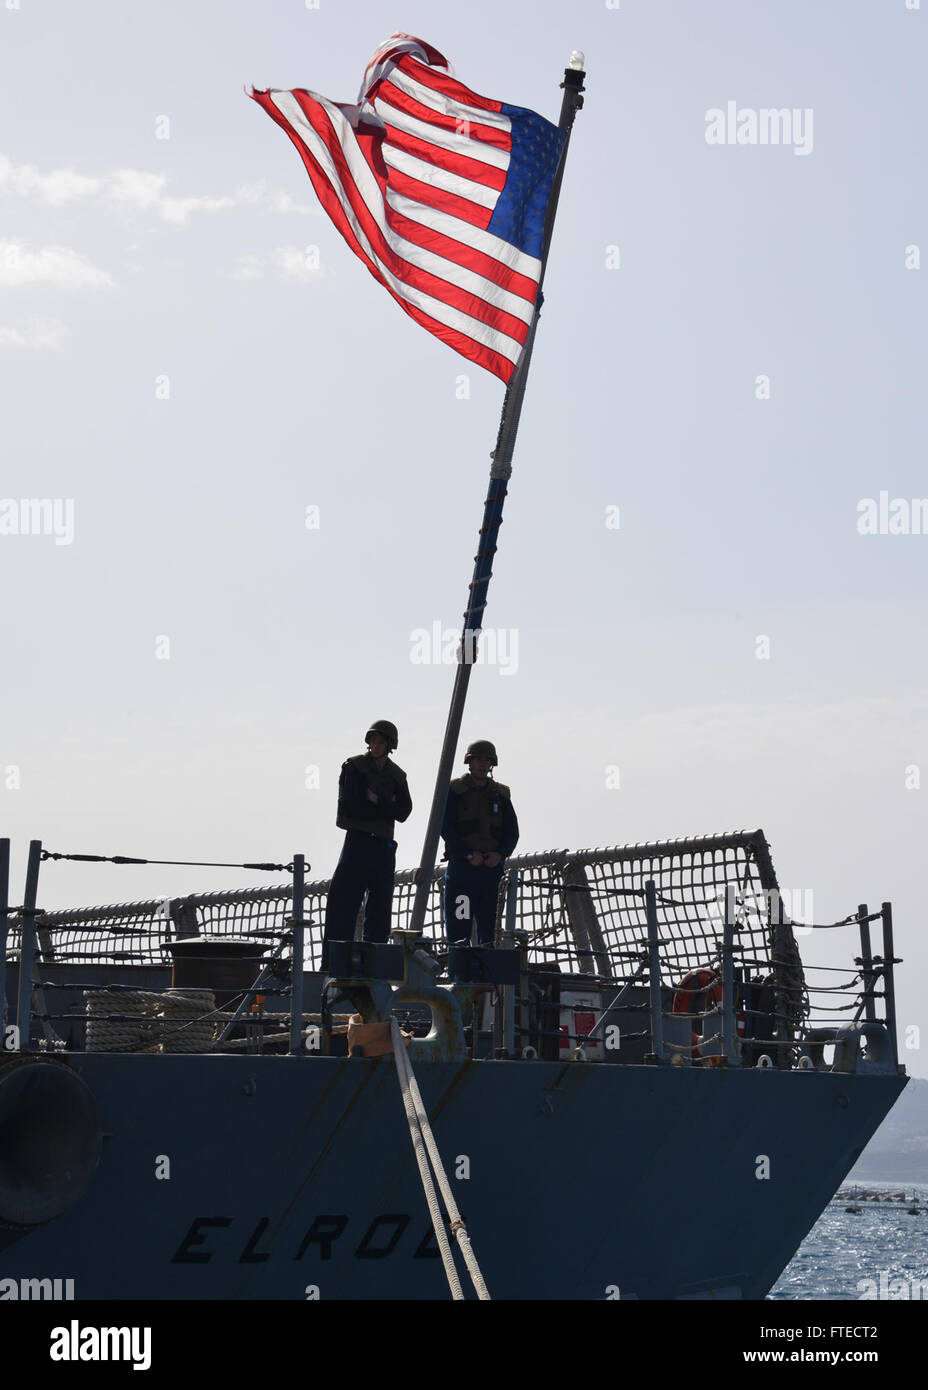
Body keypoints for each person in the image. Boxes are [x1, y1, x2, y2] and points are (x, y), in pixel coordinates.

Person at [323, 720, 412, 948]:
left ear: (390, 745)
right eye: (373, 741)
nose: (375, 746)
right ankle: (333, 961)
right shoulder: (354, 767)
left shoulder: (397, 775)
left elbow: (404, 811)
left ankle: (374, 961)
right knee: (343, 903)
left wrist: (376, 800)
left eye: (381, 742)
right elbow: (353, 807)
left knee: (380, 907)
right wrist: (386, 807)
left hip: (383, 846)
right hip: (358, 842)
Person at [441, 740, 519, 947]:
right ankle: (461, 973)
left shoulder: (501, 795)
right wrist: (467, 854)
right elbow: (445, 828)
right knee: (460, 927)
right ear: (470, 762)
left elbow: (512, 832)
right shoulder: (455, 791)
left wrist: (500, 854)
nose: (482, 765)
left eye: (487, 760)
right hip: (463, 872)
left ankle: (488, 976)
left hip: (491, 872)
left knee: (489, 930)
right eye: (478, 760)